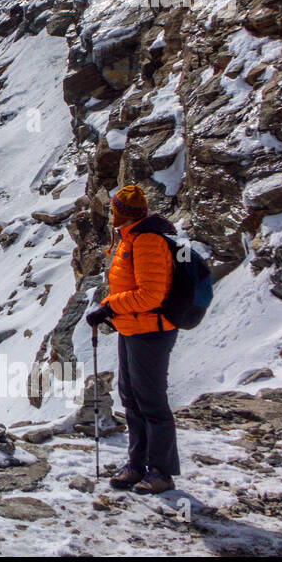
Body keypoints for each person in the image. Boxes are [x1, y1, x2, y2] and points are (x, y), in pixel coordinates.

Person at [86, 184, 180, 494]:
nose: (109, 214)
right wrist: (111, 310)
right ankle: (137, 465)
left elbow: (151, 294)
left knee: (151, 401)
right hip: (132, 328)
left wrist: (110, 306)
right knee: (132, 398)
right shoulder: (131, 238)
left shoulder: (147, 241)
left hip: (151, 331)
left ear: (120, 214)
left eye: (113, 210)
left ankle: (162, 472)